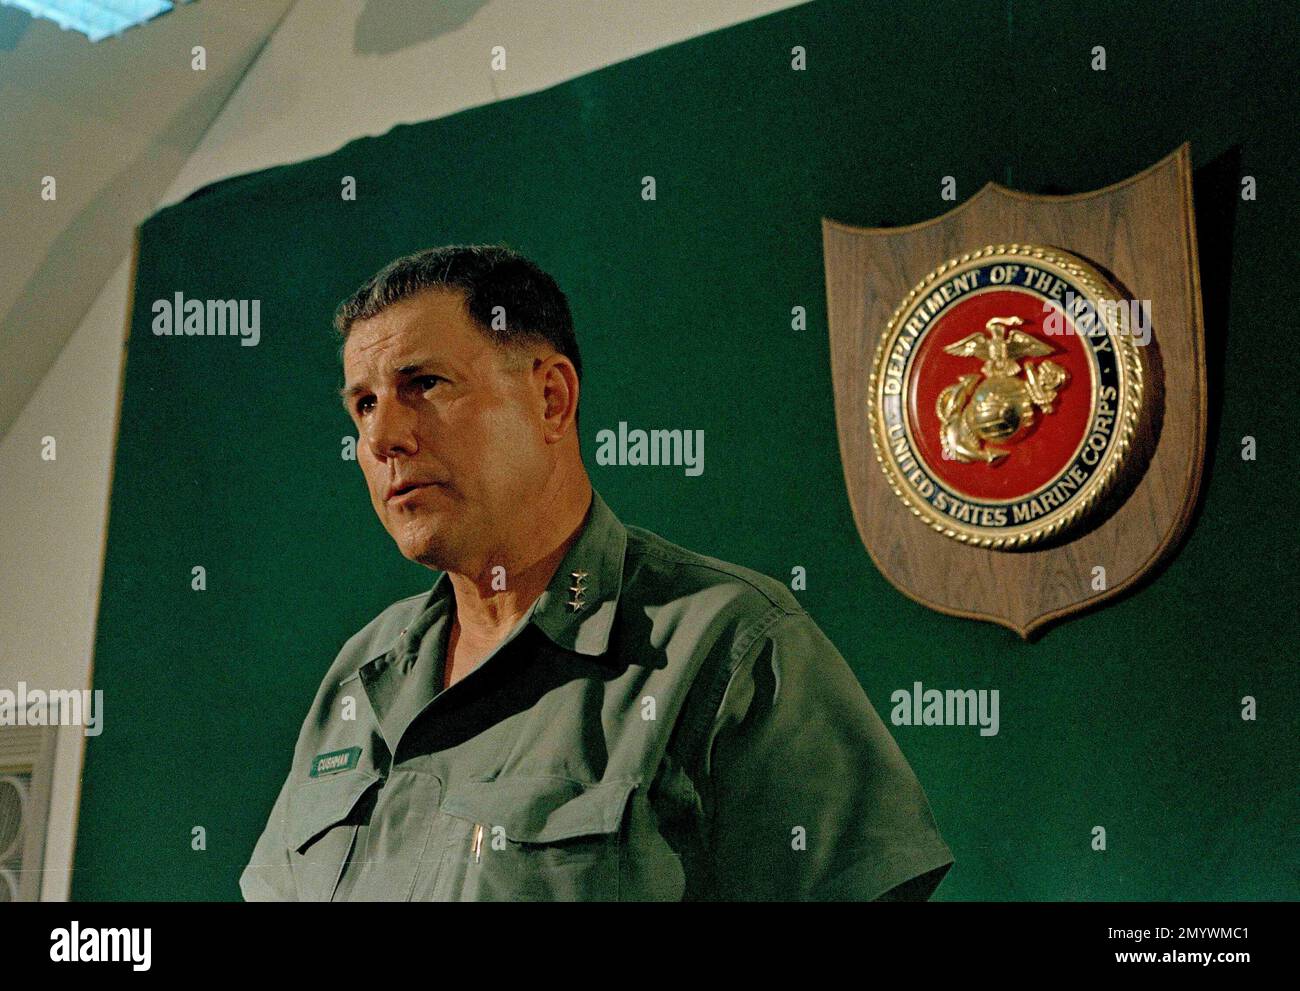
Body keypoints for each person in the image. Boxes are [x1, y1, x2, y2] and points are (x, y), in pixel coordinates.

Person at [238, 244, 954, 901]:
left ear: (551, 398)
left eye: (423, 383)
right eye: (363, 404)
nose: (383, 435)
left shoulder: (729, 649)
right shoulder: (361, 675)